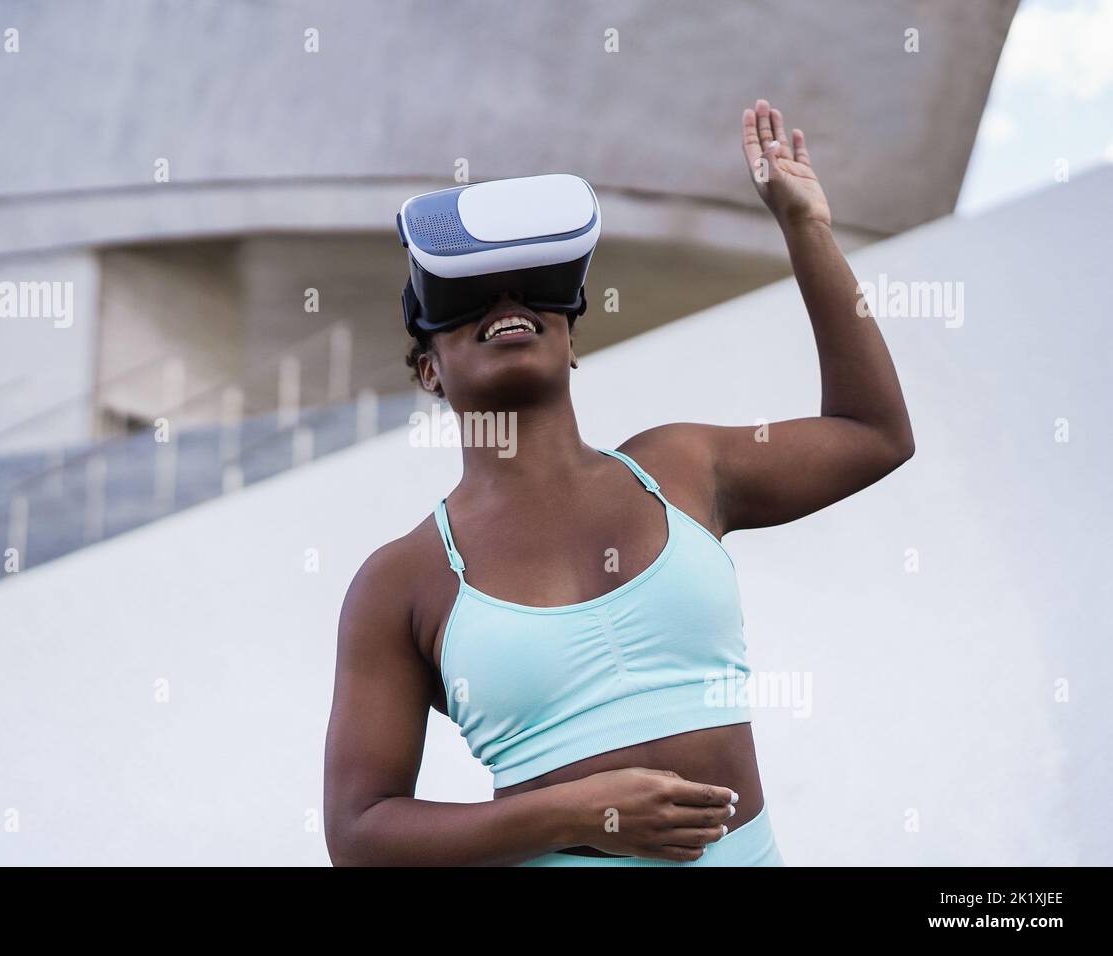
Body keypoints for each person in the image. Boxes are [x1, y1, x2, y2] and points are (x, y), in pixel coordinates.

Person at [323, 99, 914, 866]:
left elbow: (874, 434)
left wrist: (807, 229)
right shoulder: (402, 581)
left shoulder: (680, 468)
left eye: (537, 287)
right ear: (429, 369)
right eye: (466, 297)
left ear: (570, 339)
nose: (508, 302)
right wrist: (574, 813)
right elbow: (359, 836)